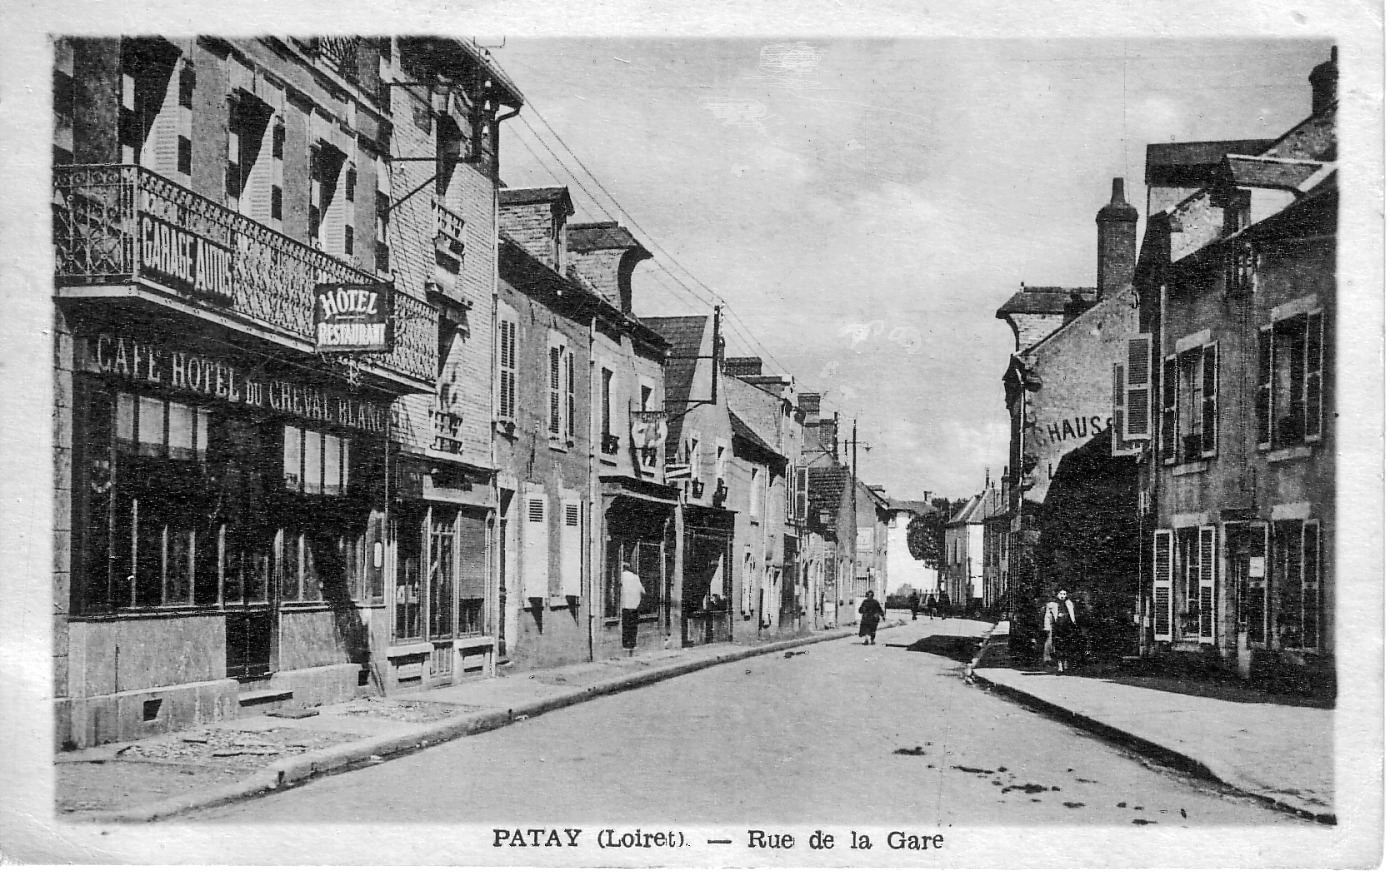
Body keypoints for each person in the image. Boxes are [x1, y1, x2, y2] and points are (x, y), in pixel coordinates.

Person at [1043, 588, 1080, 673]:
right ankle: (1060, 665)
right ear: (1057, 594)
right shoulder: (1052, 604)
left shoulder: (1069, 603)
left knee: (1067, 645)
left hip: (1067, 627)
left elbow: (1072, 615)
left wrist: (1074, 623)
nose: (1063, 596)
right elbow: (1047, 616)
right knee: (1058, 645)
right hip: (1057, 627)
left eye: (1064, 594)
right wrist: (1047, 627)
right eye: (1061, 594)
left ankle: (1066, 664)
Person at [620, 560, 645, 656]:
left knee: (625, 625)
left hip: (624, 605)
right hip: (635, 605)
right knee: (633, 626)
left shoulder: (621, 576)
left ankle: (625, 644)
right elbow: (643, 591)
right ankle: (632, 644)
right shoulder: (635, 577)